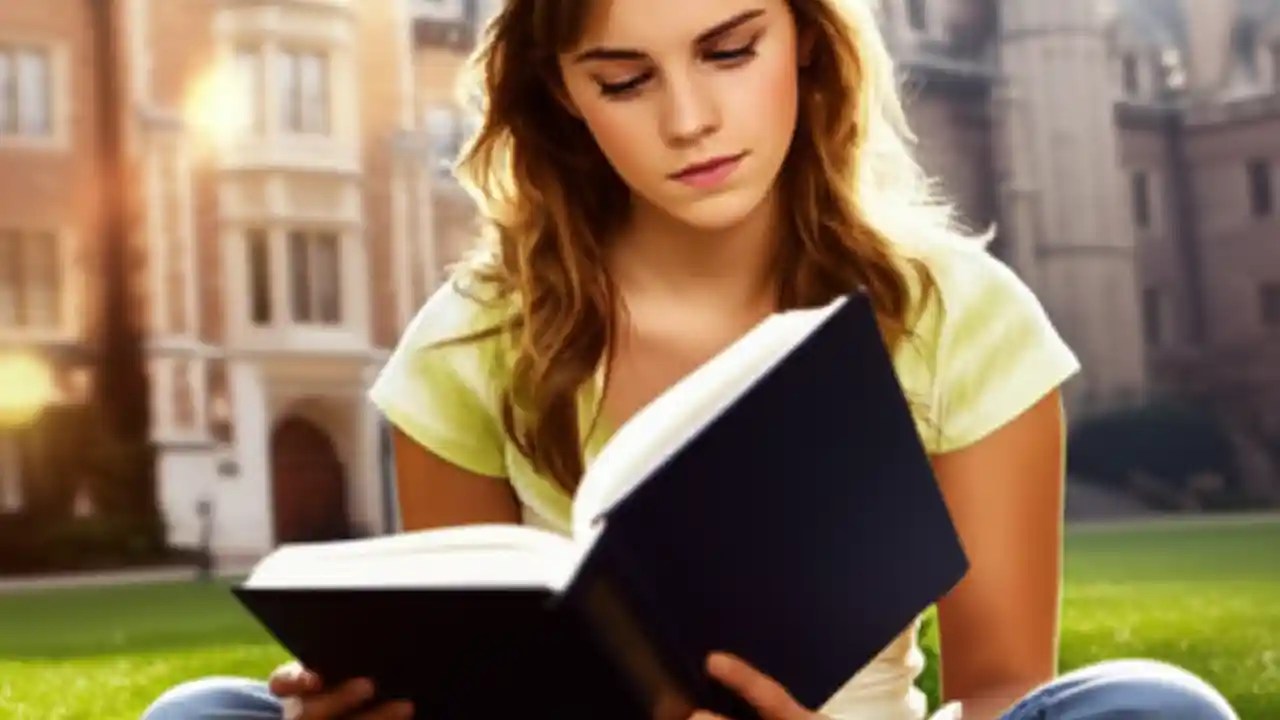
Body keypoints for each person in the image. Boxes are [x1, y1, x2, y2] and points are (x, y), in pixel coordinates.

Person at [142, 0, 1240, 718]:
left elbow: (1005, 692)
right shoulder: (471, 338)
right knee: (204, 717)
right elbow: (469, 672)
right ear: (562, 95)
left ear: (806, 37)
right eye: (623, 80)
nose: (689, 120)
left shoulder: (958, 314)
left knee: (1149, 707)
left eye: (729, 49)